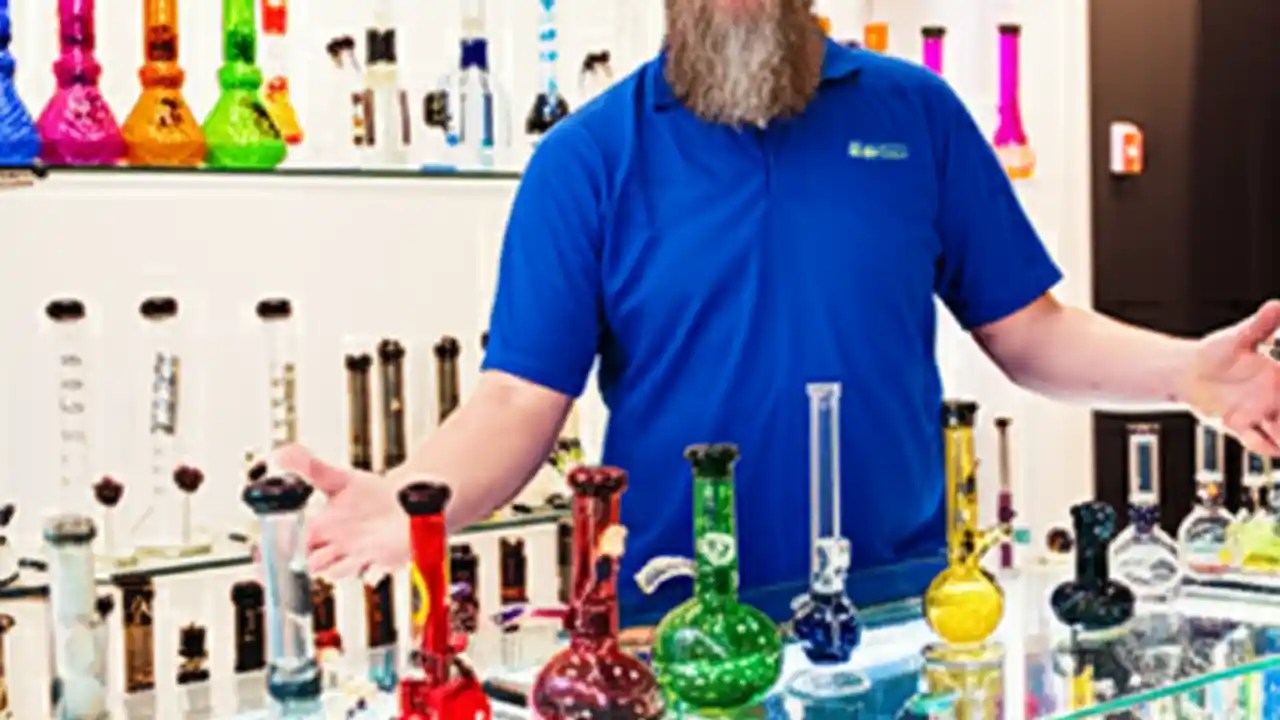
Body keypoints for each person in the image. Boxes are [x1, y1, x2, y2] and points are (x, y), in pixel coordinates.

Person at [282, 0, 1280, 620]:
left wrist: (1185, 371)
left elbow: (1029, 331)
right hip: (676, 620)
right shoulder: (585, 159)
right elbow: (513, 404)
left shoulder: (913, 114)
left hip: (899, 614)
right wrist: (411, 498)